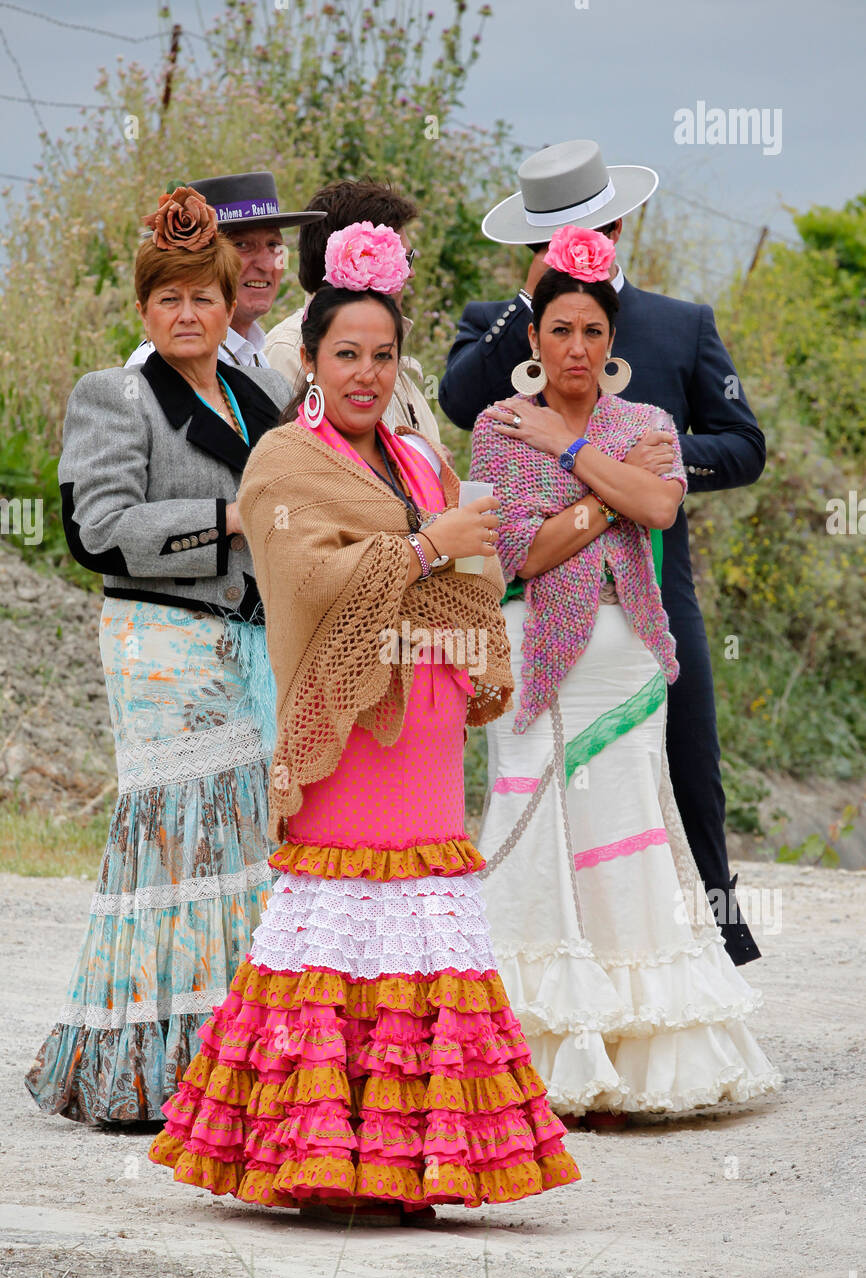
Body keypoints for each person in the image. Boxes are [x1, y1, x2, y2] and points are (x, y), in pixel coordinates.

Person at [149, 221, 580, 1217]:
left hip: (424, 730)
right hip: (347, 731)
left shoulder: (420, 456)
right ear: (309, 358)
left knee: (422, 935)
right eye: (345, 353)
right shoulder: (282, 463)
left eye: (382, 355)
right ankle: (324, 1163)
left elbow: (472, 564)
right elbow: (304, 576)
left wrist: (465, 602)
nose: (365, 373)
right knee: (344, 931)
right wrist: (426, 550)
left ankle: (416, 1164)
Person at [470, 224, 780, 1123]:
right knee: (532, 832)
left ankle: (636, 1049)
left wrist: (569, 463)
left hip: (631, 667)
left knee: (625, 828)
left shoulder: (646, 421)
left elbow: (659, 502)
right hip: (540, 669)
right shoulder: (496, 427)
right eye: (560, 329)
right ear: (532, 338)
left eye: (593, 333)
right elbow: (516, 554)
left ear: (613, 345)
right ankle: (533, 1049)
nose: (576, 347)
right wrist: (608, 501)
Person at [440, 138, 764, 967]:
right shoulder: (500, 325)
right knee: (539, 771)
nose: (576, 343)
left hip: (651, 578)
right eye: (542, 235)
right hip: (533, 587)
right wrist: (528, 297)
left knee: (685, 751)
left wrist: (658, 463)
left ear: (618, 222)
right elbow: (462, 402)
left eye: (584, 225)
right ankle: (554, 939)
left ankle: (713, 936)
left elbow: (743, 445)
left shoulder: (679, 324)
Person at [25, 185, 292, 1124]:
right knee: (180, 837)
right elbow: (94, 532)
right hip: (160, 644)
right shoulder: (115, 394)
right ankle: (143, 1070)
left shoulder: (265, 394)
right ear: (145, 308)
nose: (188, 313)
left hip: (251, 646)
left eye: (204, 298)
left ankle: (227, 1059)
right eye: (169, 298)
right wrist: (225, 522)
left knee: (241, 839)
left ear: (229, 307)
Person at [264, 179, 440, 441]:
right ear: (359, 260)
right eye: (402, 259)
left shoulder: (391, 346)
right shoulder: (287, 350)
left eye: (381, 356)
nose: (410, 273)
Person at [126, 170, 324, 370]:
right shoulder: (158, 365)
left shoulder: (254, 354)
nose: (265, 265)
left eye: (273, 245)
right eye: (242, 245)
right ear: (202, 259)